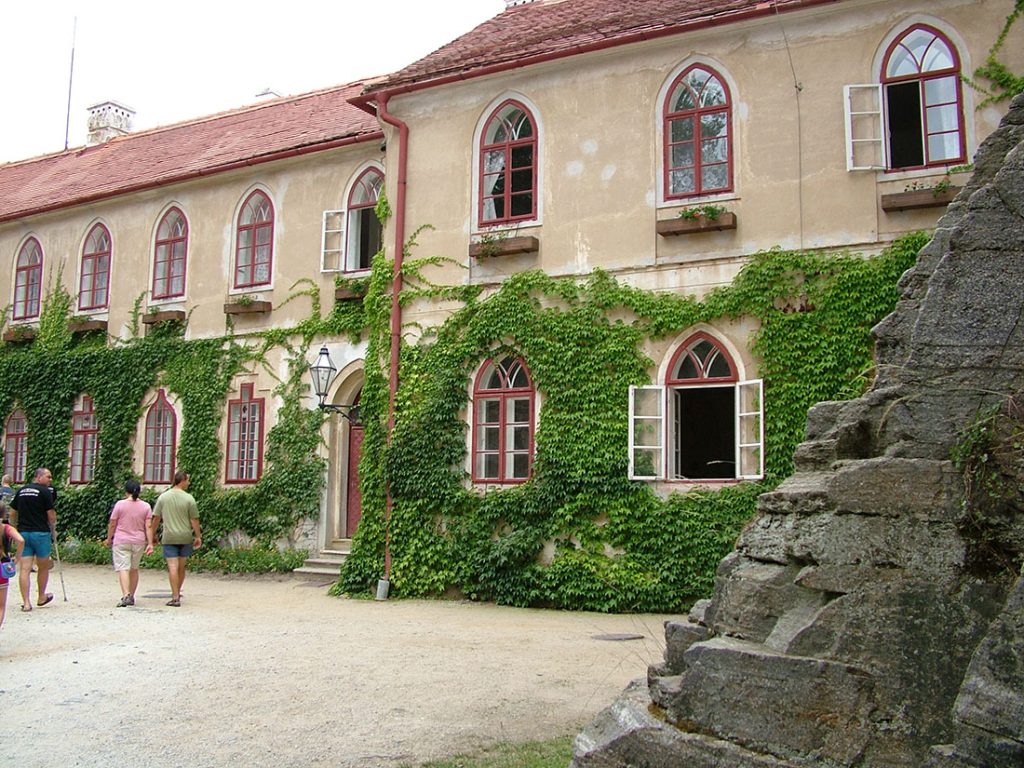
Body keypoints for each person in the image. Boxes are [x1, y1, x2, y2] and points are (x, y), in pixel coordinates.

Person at [151, 470, 201, 607]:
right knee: (181, 567)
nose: (188, 483)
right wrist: (198, 536)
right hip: (185, 536)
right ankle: (177, 591)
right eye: (187, 480)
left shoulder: (163, 497)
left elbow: (156, 518)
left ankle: (175, 597)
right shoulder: (189, 498)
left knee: (172, 566)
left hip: (169, 536)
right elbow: (194, 519)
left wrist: (152, 534)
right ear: (182, 481)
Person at [10, 467, 56, 612]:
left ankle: (26, 602)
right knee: (43, 567)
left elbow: (12, 512)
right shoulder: (45, 492)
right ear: (39, 477)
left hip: (24, 533)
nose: (50, 480)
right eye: (48, 477)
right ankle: (41, 596)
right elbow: (50, 514)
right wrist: (53, 528)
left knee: (25, 568)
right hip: (40, 533)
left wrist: (13, 529)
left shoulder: (21, 490)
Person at [104, 479, 154, 607]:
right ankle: (131, 595)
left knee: (123, 568)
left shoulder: (120, 505)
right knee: (134, 569)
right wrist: (150, 543)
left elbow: (113, 523)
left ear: (126, 491)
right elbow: (148, 526)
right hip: (138, 541)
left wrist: (109, 538)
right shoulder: (146, 506)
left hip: (121, 540)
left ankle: (126, 594)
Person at [1, 507, 26, 631]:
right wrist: (17, 557)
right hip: (2, 567)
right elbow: (21, 540)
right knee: (1, 606)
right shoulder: (6, 528)